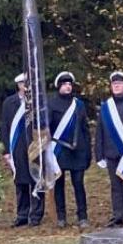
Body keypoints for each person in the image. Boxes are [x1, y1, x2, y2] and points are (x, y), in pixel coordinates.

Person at [0, 74, 44, 226]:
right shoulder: (9, 103)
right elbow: (5, 126)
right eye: (21, 83)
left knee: (36, 179)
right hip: (16, 147)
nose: (24, 85)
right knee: (19, 181)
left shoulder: (36, 102)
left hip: (33, 145)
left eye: (27, 83)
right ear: (17, 85)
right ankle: (22, 214)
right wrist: (6, 150)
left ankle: (36, 215)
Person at [48, 71, 91, 228]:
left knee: (78, 184)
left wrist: (88, 153)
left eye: (69, 84)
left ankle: (83, 216)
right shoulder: (51, 104)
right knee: (59, 184)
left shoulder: (78, 105)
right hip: (59, 150)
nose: (67, 87)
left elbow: (85, 129)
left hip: (77, 150)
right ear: (59, 86)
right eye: (64, 84)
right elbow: (47, 129)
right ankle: (61, 217)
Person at [96, 70, 123, 227]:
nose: (116, 86)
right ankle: (117, 216)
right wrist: (99, 155)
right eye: (114, 84)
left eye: (119, 84)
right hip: (111, 153)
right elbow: (100, 132)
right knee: (115, 187)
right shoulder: (107, 107)